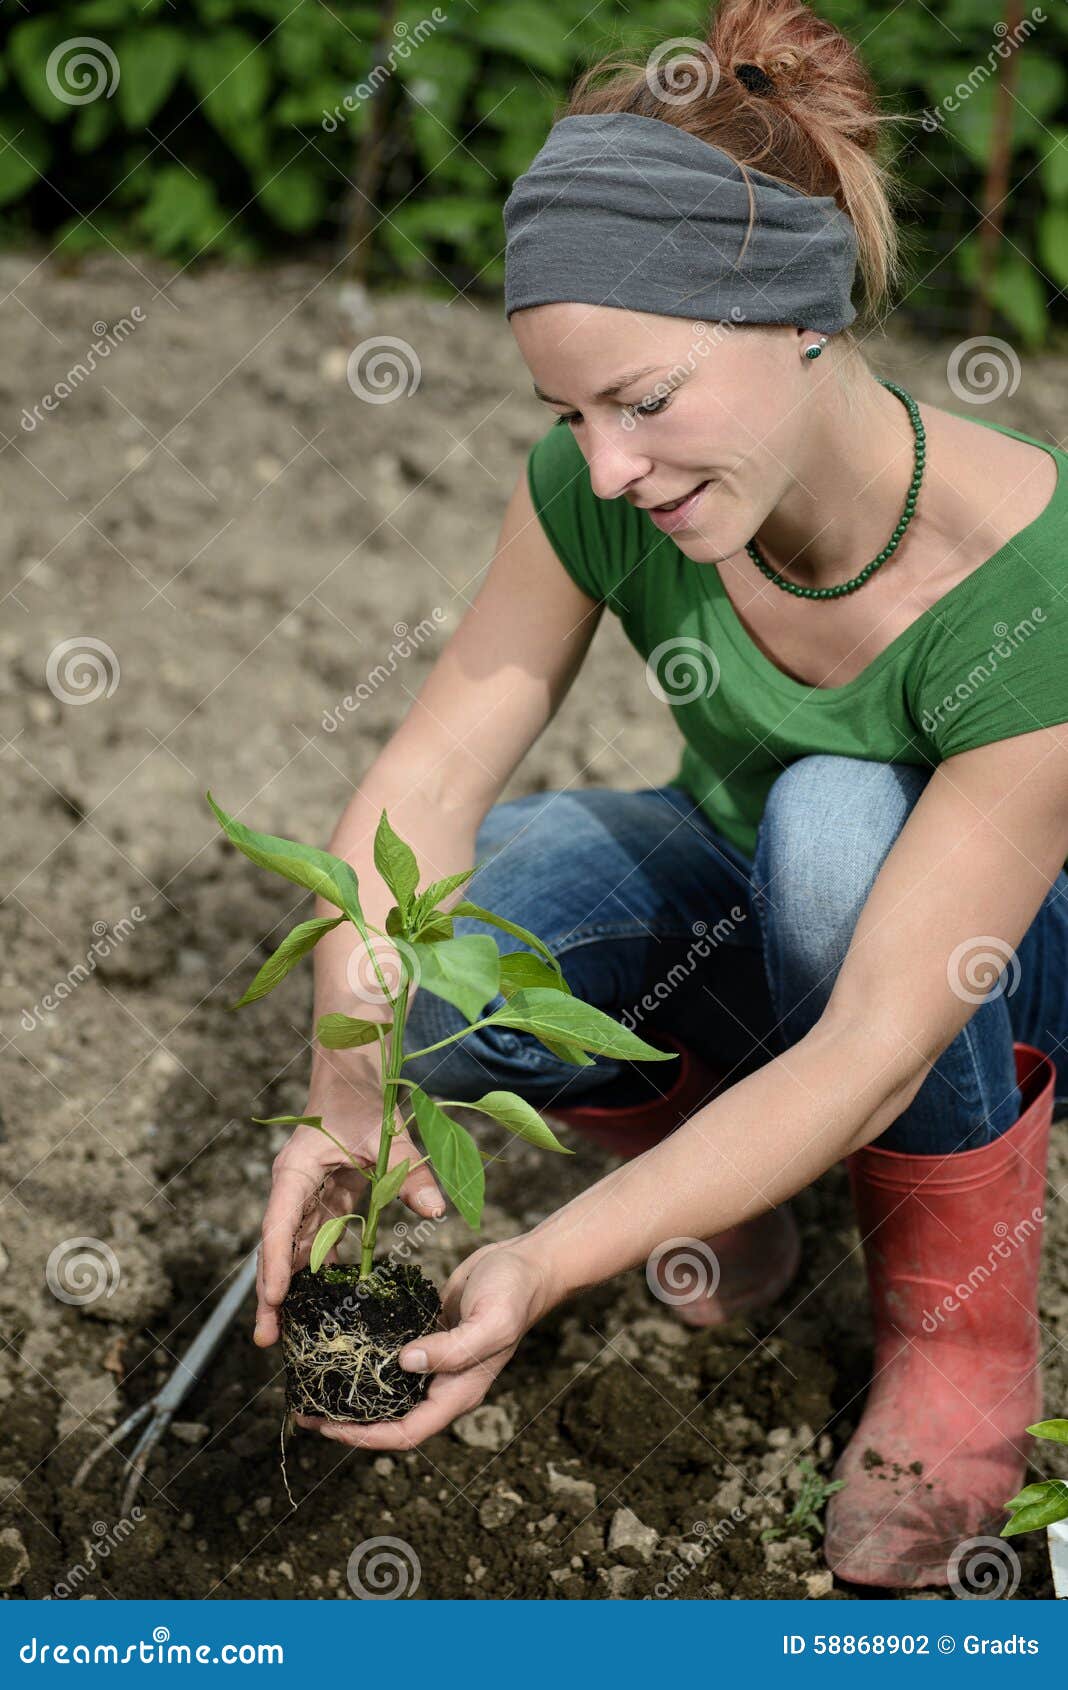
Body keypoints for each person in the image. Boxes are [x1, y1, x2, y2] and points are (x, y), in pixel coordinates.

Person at [253, 0, 1068, 1589]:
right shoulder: (603, 487)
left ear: (803, 316)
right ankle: (724, 1188)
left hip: (982, 973)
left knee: (833, 824)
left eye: (645, 398)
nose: (609, 465)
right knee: (450, 949)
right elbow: (430, 771)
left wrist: (545, 1257)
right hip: (753, 908)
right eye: (571, 414)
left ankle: (956, 1335)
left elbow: (876, 1039)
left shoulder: (1028, 584)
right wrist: (344, 1080)